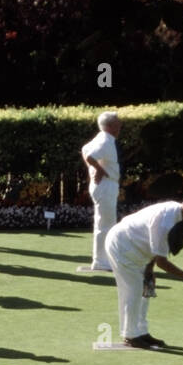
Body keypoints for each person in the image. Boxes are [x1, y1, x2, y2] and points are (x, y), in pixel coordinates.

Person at [106, 195, 183, 348]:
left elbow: (155, 247)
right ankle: (130, 335)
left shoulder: (177, 212)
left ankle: (141, 331)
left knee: (147, 288)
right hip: (122, 245)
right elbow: (162, 261)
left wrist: (149, 270)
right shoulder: (165, 223)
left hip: (141, 251)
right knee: (133, 290)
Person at [81, 111, 121, 271]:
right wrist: (98, 169)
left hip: (104, 185)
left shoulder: (102, 138)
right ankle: (102, 262)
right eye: (118, 123)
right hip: (106, 185)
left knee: (103, 224)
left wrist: (95, 169)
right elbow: (89, 155)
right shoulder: (105, 141)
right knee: (106, 225)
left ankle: (101, 260)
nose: (121, 126)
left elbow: (85, 150)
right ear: (111, 126)